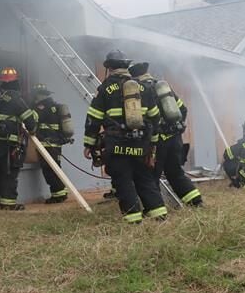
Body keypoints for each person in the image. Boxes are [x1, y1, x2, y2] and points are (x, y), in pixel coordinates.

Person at [83, 50, 167, 224]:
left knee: (123, 181)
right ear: (126, 66)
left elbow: (93, 118)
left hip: (117, 145)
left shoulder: (105, 89)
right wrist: (152, 145)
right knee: (145, 179)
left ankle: (134, 220)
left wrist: (89, 144)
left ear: (109, 68)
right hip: (141, 144)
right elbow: (155, 118)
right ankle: (159, 216)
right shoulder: (143, 88)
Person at [129, 62, 202, 207]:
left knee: (151, 176)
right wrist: (174, 129)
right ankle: (196, 201)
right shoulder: (163, 87)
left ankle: (158, 209)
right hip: (175, 140)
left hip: (156, 142)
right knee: (176, 173)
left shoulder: (140, 90)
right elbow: (183, 109)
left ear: (134, 76)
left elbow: (143, 118)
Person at [0, 67, 38, 210]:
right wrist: (32, 129)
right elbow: (30, 123)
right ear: (16, 83)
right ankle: (8, 203)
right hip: (8, 143)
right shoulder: (16, 99)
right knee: (9, 172)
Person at [30, 83, 71, 204]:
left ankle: (58, 195)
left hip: (46, 143)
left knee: (49, 170)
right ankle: (61, 192)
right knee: (56, 168)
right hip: (56, 143)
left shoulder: (40, 107)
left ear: (38, 95)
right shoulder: (55, 106)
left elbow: (32, 121)